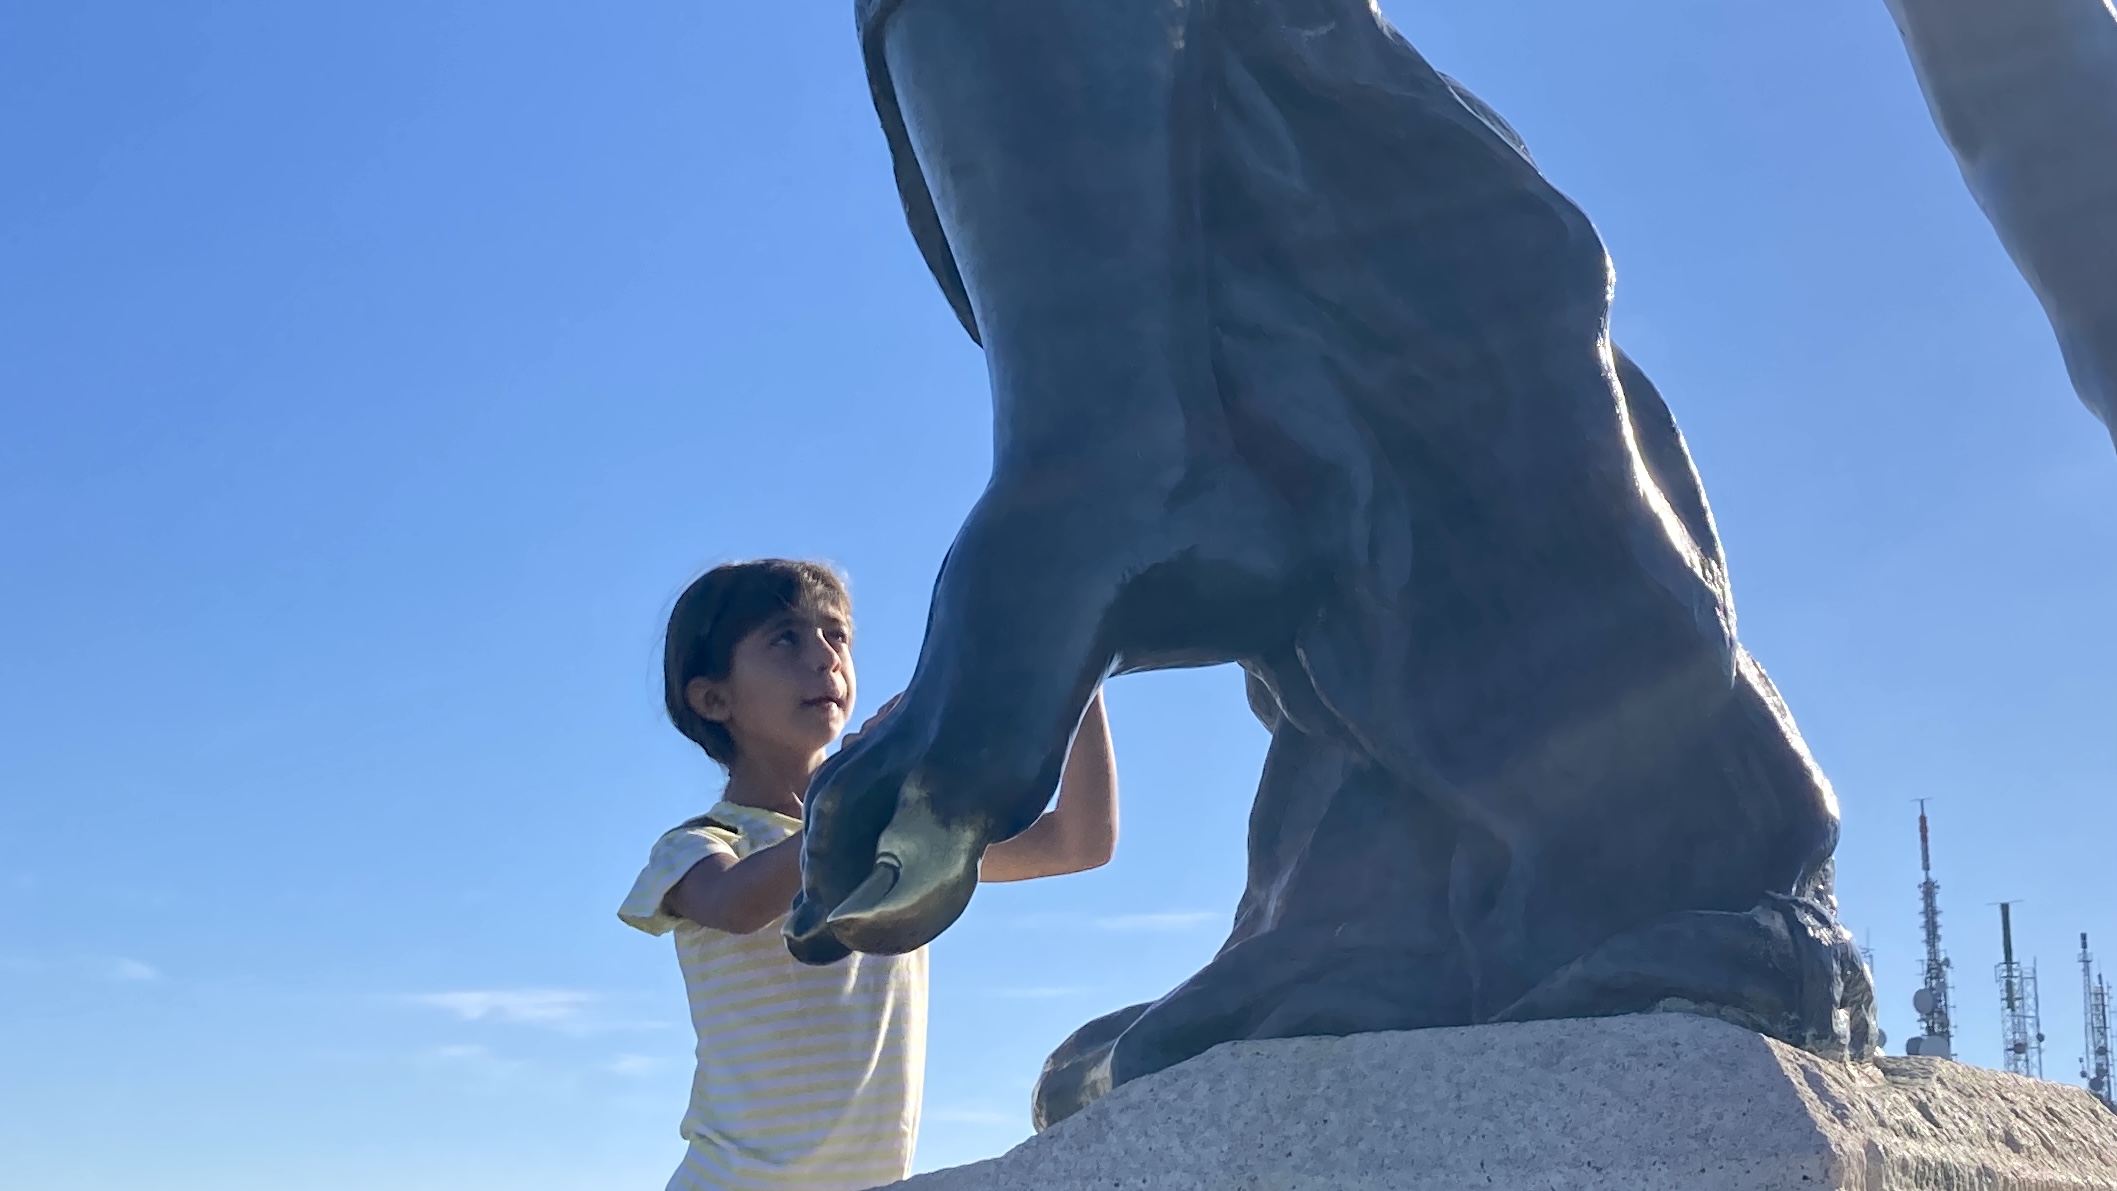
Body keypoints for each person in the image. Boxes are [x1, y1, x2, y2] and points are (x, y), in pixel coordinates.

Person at [619, 559, 1118, 1191]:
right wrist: (857, 786)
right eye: (786, 638)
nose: (826, 657)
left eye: (837, 635)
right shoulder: (700, 845)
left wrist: (1080, 672)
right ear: (714, 698)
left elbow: (1079, 841)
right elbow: (737, 905)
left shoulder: (897, 832)